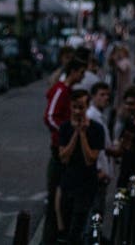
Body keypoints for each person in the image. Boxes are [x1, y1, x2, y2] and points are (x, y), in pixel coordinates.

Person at [42, 57, 87, 245]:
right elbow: (50, 117)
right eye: (81, 72)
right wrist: (66, 132)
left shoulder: (67, 91)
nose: (83, 75)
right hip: (59, 149)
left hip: (65, 148)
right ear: (74, 71)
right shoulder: (62, 91)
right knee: (56, 197)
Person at [58, 89, 104, 245]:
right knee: (68, 224)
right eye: (74, 107)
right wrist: (75, 134)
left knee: (79, 226)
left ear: (87, 107)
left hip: (86, 184)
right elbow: (64, 157)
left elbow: (90, 159)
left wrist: (83, 135)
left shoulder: (97, 129)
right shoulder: (64, 128)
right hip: (69, 183)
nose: (77, 111)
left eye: (81, 107)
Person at [86, 82, 116, 212]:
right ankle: (92, 232)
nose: (105, 98)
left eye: (107, 95)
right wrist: (98, 170)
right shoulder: (92, 117)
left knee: (98, 207)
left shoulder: (99, 115)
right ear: (93, 96)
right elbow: (92, 145)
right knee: (95, 208)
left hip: (103, 169)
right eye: (102, 95)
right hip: (98, 172)